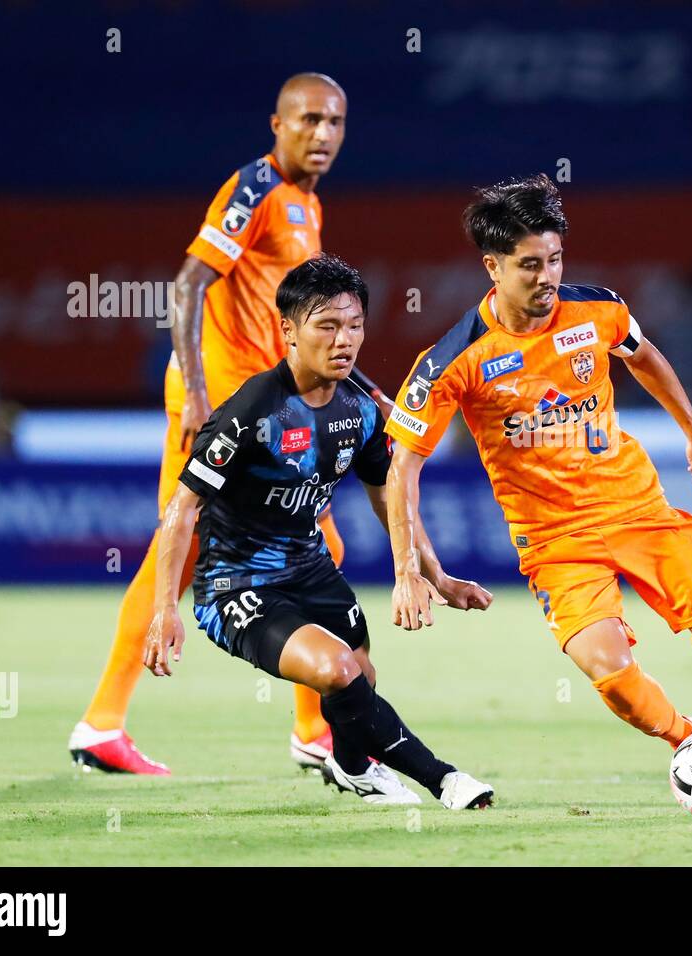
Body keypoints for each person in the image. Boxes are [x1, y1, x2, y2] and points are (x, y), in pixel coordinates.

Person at [384, 174, 692, 750]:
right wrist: (410, 569)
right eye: (529, 264)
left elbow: (643, 357)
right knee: (608, 670)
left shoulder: (597, 310)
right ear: (492, 267)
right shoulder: (453, 359)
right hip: (555, 541)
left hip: (638, 510)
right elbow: (404, 467)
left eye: (554, 259)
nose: (547, 276)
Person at [70, 73, 387, 774]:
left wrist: (370, 391)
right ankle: (109, 724)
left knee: (299, 544)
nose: (323, 134)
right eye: (308, 120)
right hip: (220, 405)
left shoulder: (305, 203)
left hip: (262, 410)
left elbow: (304, 330)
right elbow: (187, 284)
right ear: (276, 123)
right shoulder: (259, 187)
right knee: (191, 553)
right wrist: (197, 398)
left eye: (335, 122)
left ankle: (304, 729)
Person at [143, 254, 494, 808]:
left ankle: (353, 768)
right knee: (337, 670)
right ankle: (446, 779)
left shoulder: (359, 409)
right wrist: (166, 608)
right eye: (326, 326)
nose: (344, 341)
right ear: (288, 330)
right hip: (238, 585)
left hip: (311, 570)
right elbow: (182, 508)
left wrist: (437, 576)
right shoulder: (251, 411)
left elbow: (390, 499)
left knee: (362, 676)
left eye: (354, 326)